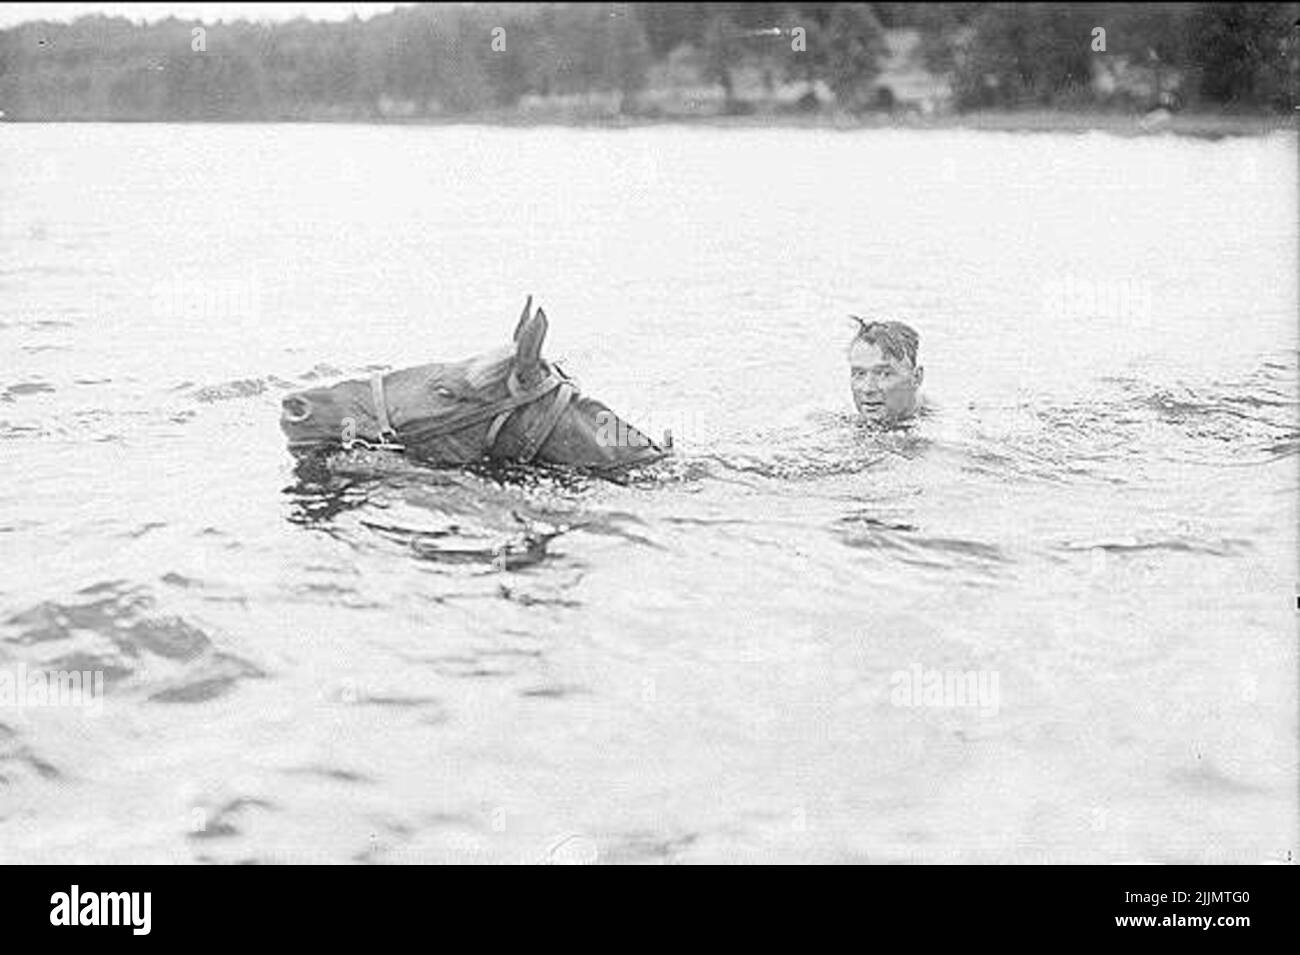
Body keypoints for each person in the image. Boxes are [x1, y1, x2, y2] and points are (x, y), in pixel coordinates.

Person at [847, 317, 925, 422]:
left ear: (916, 378)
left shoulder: (941, 430)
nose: (868, 389)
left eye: (883, 374)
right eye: (860, 374)